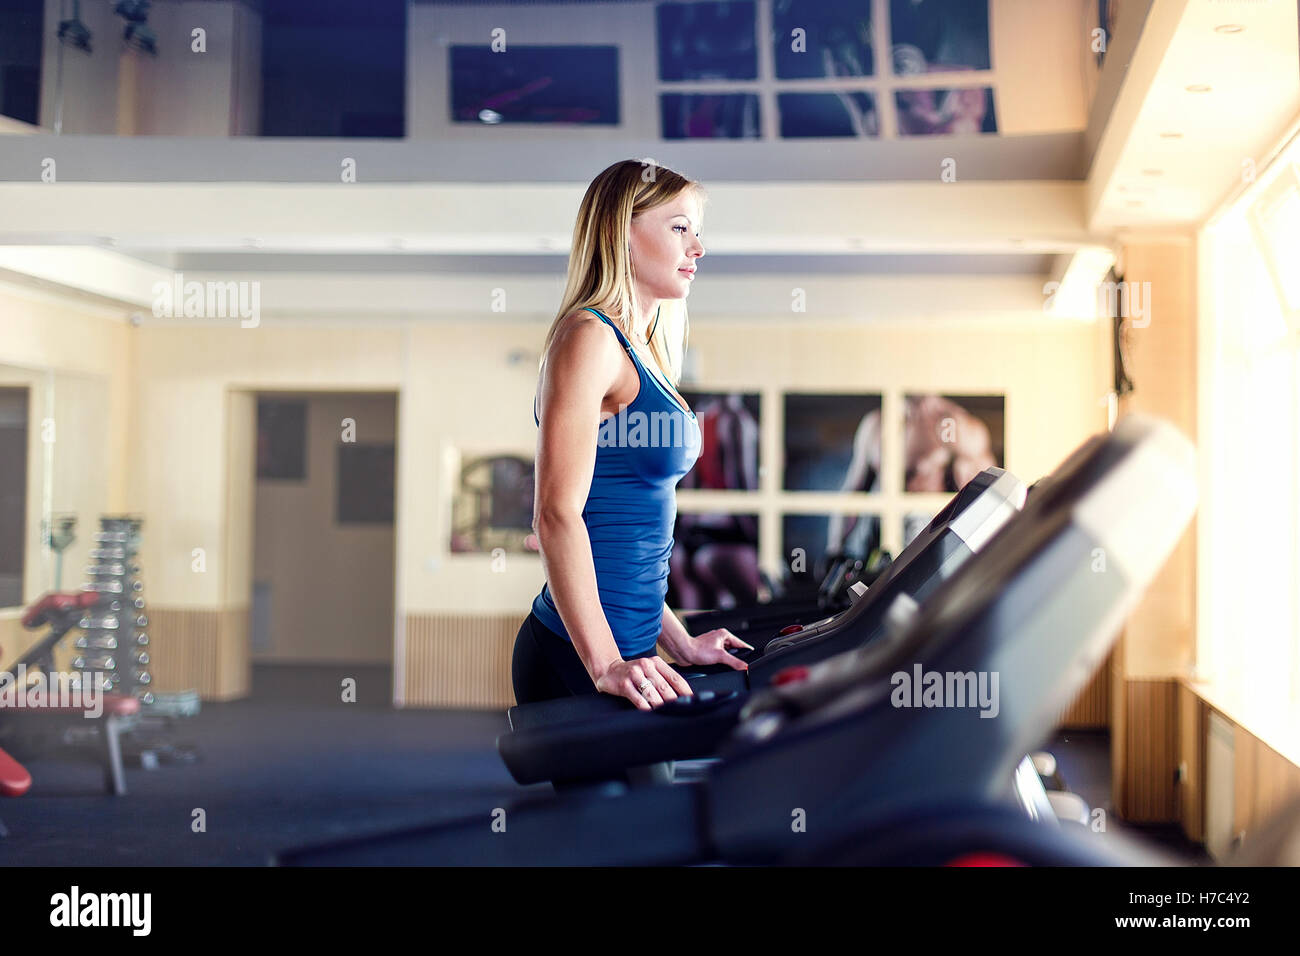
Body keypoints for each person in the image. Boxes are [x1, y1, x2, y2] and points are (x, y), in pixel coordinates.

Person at [513, 159, 752, 712]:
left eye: (697, 231)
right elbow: (555, 515)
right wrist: (605, 663)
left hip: (633, 650)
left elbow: (631, 540)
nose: (698, 248)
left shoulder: (640, 350)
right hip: (580, 657)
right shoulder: (589, 337)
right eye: (679, 228)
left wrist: (681, 642)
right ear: (622, 231)